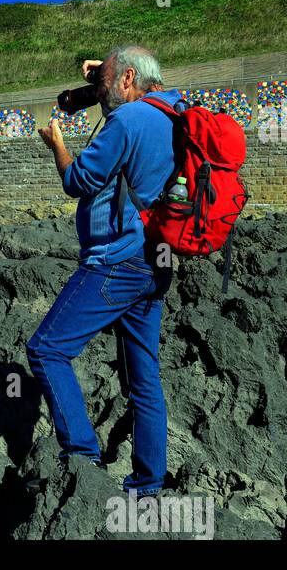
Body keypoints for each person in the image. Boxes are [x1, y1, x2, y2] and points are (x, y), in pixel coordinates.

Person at [28, 45, 180, 498]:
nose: (102, 91)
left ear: (129, 79)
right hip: (156, 262)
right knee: (144, 379)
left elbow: (77, 181)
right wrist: (102, 81)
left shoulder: (126, 122)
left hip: (116, 261)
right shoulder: (172, 112)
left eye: (109, 81)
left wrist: (57, 144)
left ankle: (81, 453)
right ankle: (148, 483)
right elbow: (138, 86)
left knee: (46, 350)